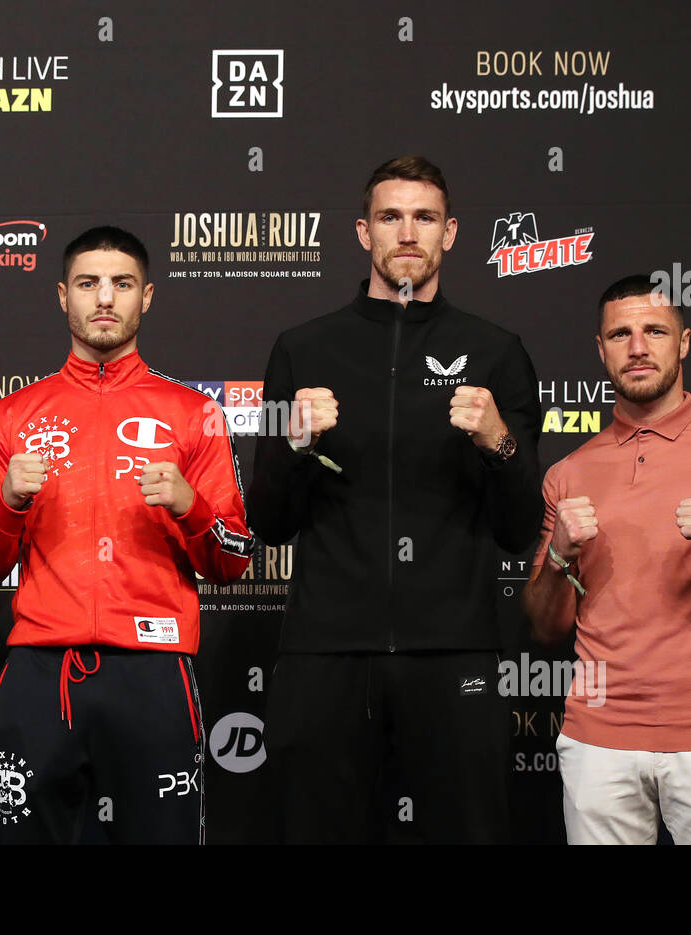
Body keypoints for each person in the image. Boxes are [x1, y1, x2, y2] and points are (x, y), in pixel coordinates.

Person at [248, 155, 544, 843]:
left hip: (454, 652)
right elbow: (268, 521)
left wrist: (499, 442)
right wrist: (293, 446)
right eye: (390, 216)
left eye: (424, 217)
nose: (407, 232)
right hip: (326, 654)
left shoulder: (496, 352)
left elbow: (520, 529)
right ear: (362, 232)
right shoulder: (303, 348)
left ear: (451, 233)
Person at [0, 226, 254, 844]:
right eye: (88, 283)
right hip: (41, 670)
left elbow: (232, 561)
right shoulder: (13, 415)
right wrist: (9, 502)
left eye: (121, 284)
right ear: (61, 295)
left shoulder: (192, 412)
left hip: (153, 671)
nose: (103, 299)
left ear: (145, 297)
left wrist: (190, 506)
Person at [522, 274, 691, 845]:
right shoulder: (568, 473)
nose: (638, 347)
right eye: (620, 334)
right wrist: (557, 559)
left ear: (684, 341)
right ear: (601, 351)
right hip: (598, 742)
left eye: (655, 330)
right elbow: (546, 627)